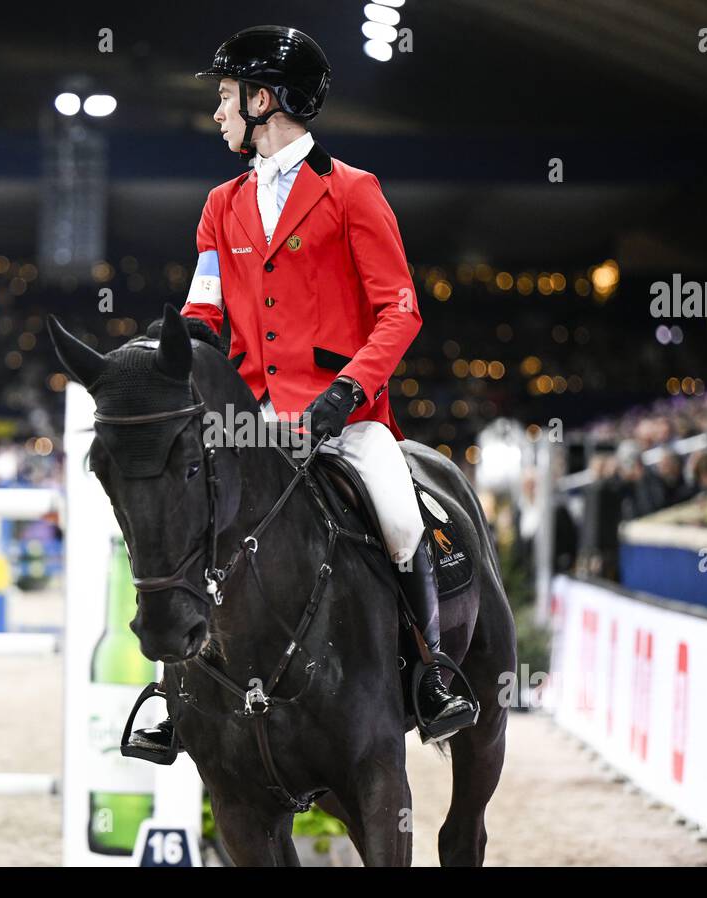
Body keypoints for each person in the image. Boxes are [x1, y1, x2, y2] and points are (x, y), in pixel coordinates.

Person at [126, 26, 478, 761]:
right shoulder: (221, 206)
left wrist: (344, 394)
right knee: (182, 521)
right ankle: (171, 690)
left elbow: (400, 310)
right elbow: (203, 314)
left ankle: (432, 675)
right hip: (255, 422)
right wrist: (167, 356)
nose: (217, 113)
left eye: (226, 98)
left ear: (264, 100)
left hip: (344, 418)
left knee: (401, 521)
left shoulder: (353, 192)